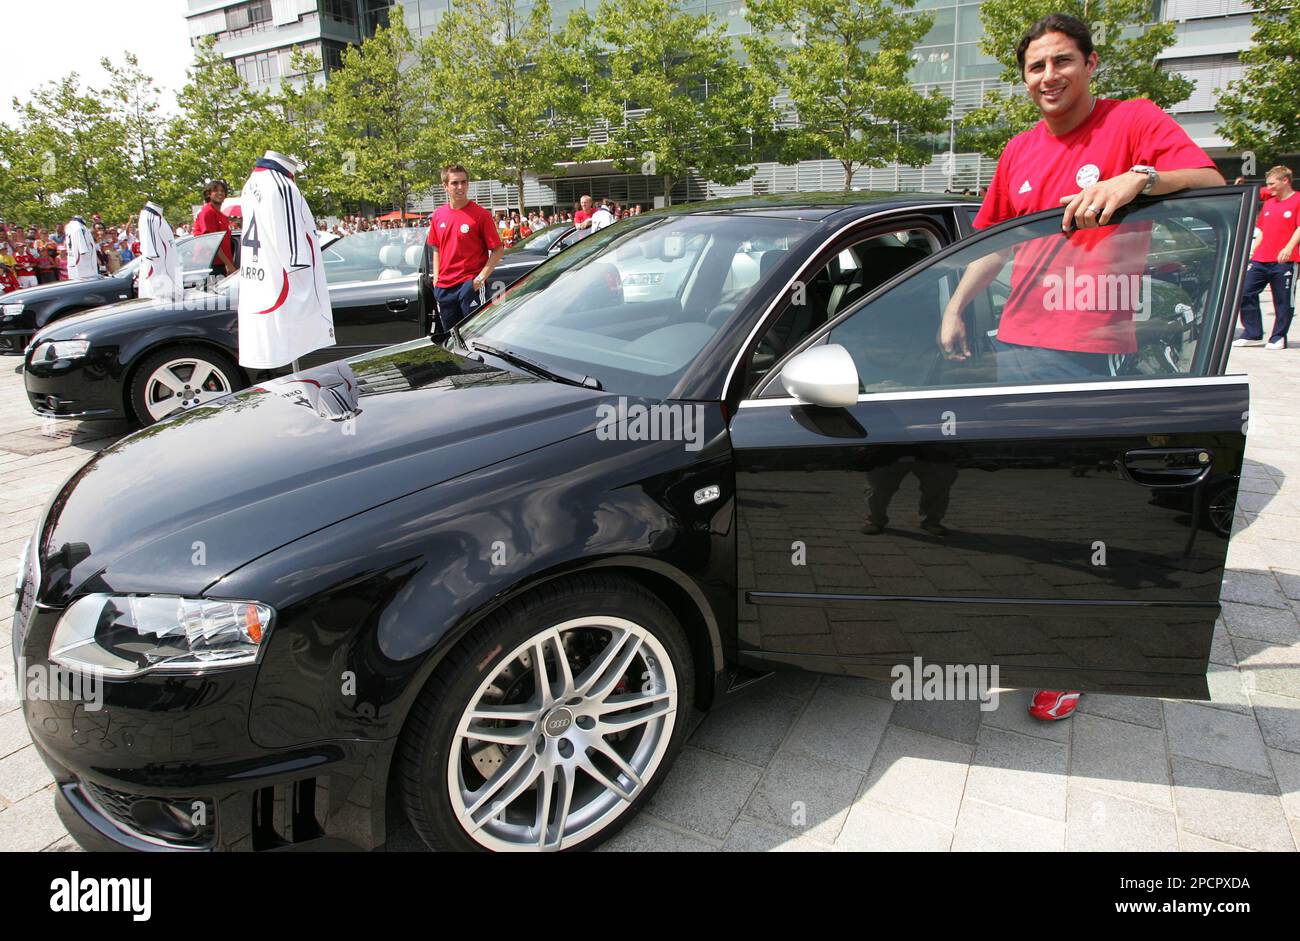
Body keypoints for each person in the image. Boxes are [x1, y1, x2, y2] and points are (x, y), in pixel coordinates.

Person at [937, 12, 1223, 722]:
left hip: (1094, 354)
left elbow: (1212, 179)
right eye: (1036, 67)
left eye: (1062, 61)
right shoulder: (1018, 151)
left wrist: (1139, 179)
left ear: (1091, 64)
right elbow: (992, 243)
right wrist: (954, 309)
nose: (1048, 77)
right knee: (1025, 504)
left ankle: (1071, 657)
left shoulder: (1132, 121)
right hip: (1020, 347)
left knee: (1076, 515)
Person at [237, 151, 334, 369]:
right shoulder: (282, 186)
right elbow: (295, 256)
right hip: (285, 288)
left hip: (261, 281)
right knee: (293, 352)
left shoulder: (252, 182)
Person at [426, 164, 504, 334]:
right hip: (444, 288)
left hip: (469, 286)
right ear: (445, 186)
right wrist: (437, 278)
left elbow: (498, 250)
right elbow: (436, 248)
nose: (460, 187)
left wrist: (479, 280)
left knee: (476, 337)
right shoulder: (438, 215)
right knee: (451, 338)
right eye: (455, 183)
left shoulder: (481, 215)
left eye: (464, 182)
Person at [1235, 166, 1298, 350]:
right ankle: (1253, 333)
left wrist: (1288, 247)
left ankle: (1278, 337)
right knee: (1245, 292)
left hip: (1284, 260)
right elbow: (1261, 229)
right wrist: (1253, 250)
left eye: (1272, 184)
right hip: (1261, 259)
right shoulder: (1270, 203)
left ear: (1285, 180)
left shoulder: (1298, 200)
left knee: (1283, 300)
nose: (1268, 188)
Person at [193, 179, 237, 277]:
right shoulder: (207, 212)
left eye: (222, 191)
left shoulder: (222, 216)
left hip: (221, 264)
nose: (220, 193)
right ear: (208, 194)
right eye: (216, 190)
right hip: (209, 264)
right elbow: (211, 242)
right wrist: (229, 265)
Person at [139, 200, 180, 301]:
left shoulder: (158, 217)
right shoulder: (150, 218)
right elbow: (151, 256)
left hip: (169, 283)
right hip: (161, 288)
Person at [64, 214, 98, 281]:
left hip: (73, 258)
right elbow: (83, 249)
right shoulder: (79, 228)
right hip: (83, 262)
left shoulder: (69, 227)